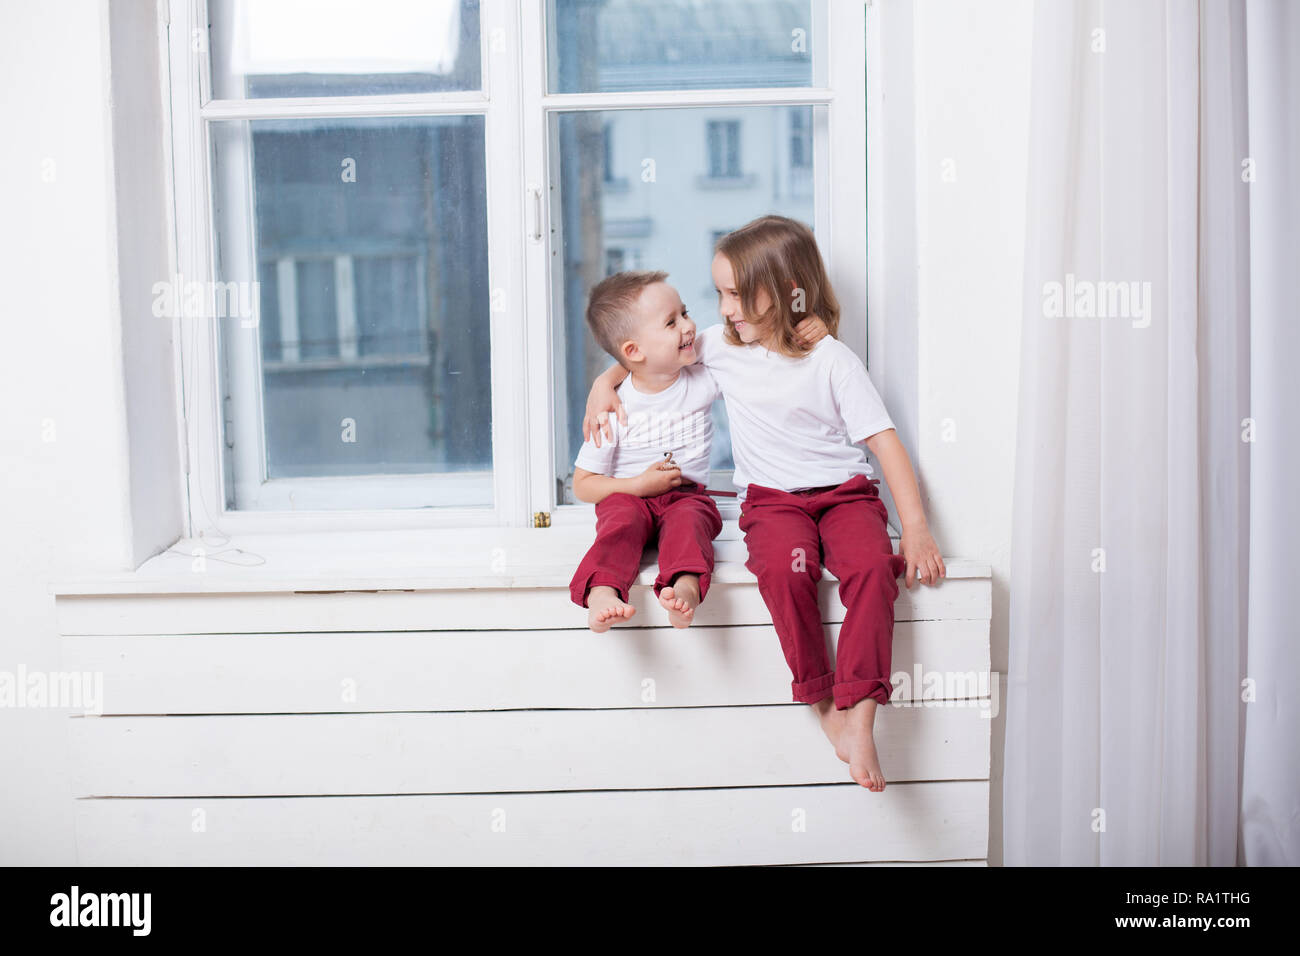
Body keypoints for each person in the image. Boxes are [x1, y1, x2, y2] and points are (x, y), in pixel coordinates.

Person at [582, 216, 945, 791]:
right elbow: (646, 355)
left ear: (781, 292)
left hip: (846, 497)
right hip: (772, 504)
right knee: (782, 569)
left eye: (733, 294)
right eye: (720, 293)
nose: (722, 310)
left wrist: (919, 529)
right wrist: (604, 385)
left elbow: (884, 443)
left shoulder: (833, 361)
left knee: (876, 570)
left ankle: (862, 715)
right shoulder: (722, 350)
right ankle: (824, 706)